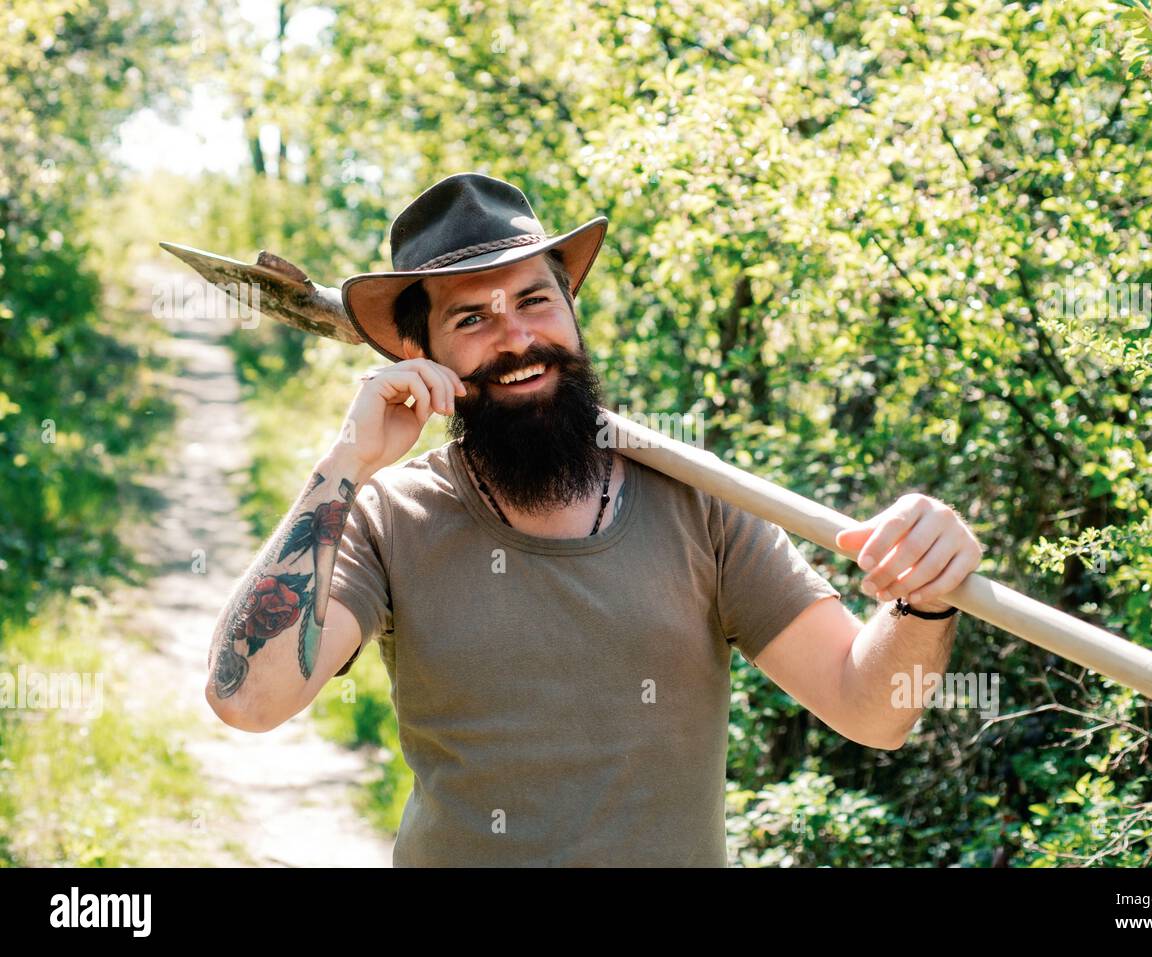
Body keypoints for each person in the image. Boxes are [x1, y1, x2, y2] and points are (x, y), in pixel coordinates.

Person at [205, 172, 985, 866]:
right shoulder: (387, 515)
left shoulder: (697, 498)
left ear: (571, 309)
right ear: (421, 353)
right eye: (472, 318)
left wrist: (922, 598)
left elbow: (871, 709)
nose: (517, 338)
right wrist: (347, 458)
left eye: (535, 300)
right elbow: (249, 698)